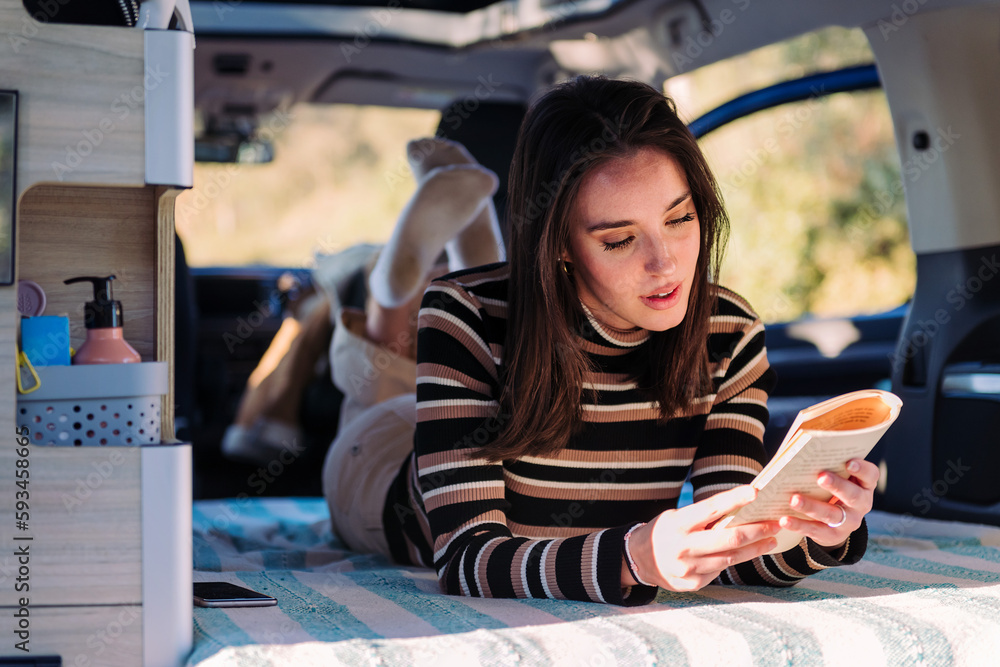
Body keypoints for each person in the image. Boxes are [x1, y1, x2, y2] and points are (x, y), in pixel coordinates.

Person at [322, 75, 877, 607]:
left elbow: (733, 541)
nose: (666, 265)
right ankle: (393, 284)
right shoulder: (460, 314)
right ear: (560, 243)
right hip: (377, 465)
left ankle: (466, 234)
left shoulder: (728, 330)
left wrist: (822, 530)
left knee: (498, 304)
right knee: (376, 381)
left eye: (680, 219)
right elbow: (468, 558)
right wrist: (634, 557)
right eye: (619, 240)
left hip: (488, 361)